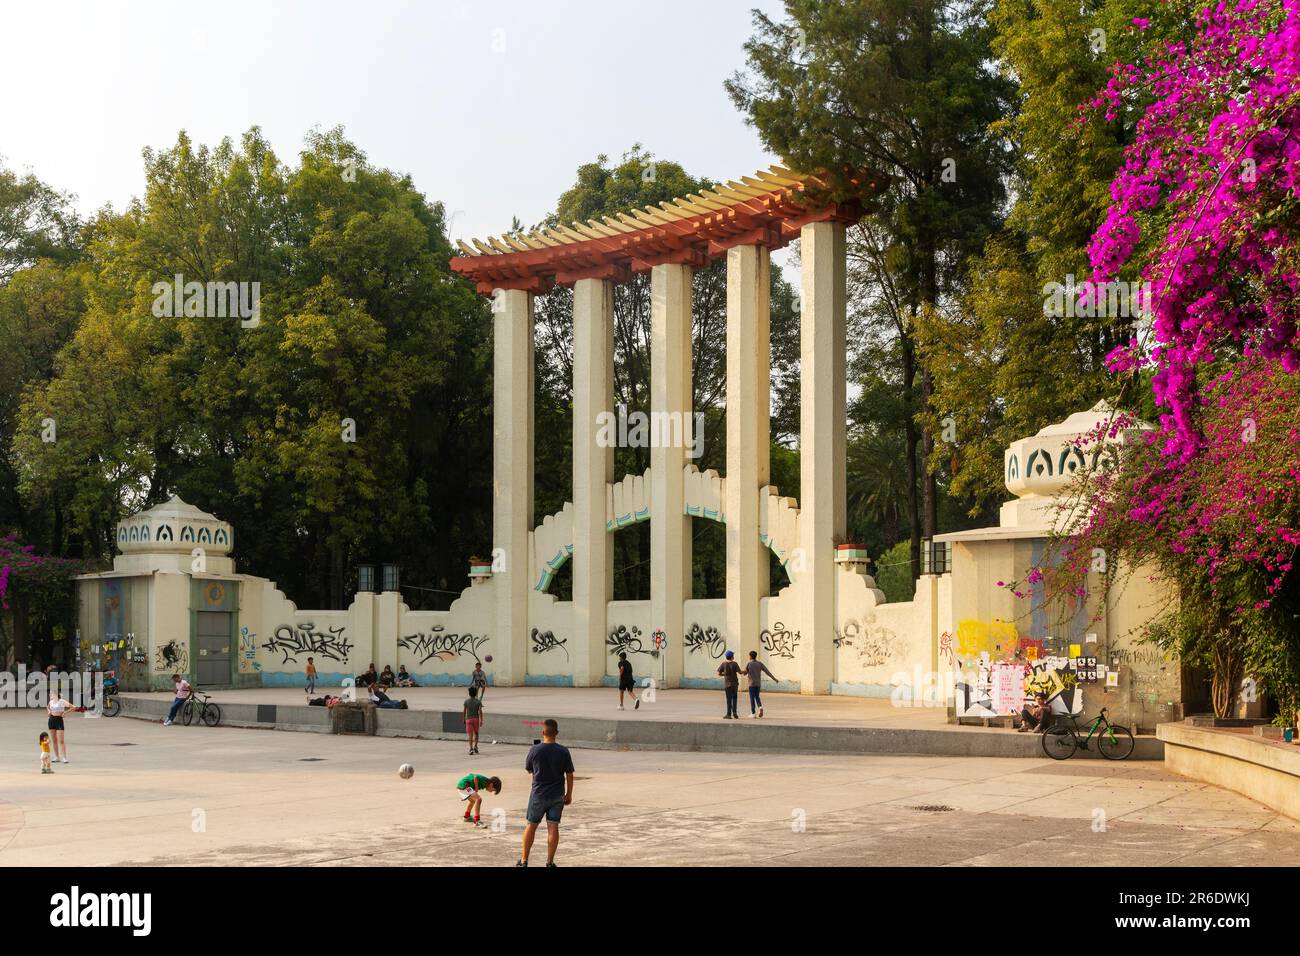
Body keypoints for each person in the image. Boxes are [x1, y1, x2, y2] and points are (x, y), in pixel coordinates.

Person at [517, 718, 574, 868]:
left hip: (538, 794)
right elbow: (569, 774)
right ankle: (549, 862)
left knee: (531, 825)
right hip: (557, 795)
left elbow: (529, 768)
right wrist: (569, 794)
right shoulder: (563, 751)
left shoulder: (535, 750)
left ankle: (524, 860)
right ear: (557, 733)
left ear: (543, 732)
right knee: (553, 827)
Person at [743, 650, 778, 718]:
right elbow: (767, 671)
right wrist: (774, 679)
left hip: (751, 684)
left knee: (752, 698)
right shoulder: (759, 663)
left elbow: (744, 673)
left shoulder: (749, 664)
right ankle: (760, 707)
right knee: (757, 696)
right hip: (758, 684)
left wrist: (741, 671)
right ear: (755, 656)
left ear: (750, 656)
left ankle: (753, 713)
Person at [46, 687, 75, 762]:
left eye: (51, 693)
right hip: (51, 720)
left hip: (59, 720)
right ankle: (56, 757)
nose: (49, 695)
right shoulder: (51, 701)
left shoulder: (61, 701)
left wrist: (65, 713)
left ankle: (64, 757)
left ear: (55, 694)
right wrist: (49, 712)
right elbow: (48, 707)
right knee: (54, 740)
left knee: (61, 740)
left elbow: (73, 707)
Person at [717, 650, 742, 719]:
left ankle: (728, 714)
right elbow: (740, 672)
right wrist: (746, 671)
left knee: (728, 699)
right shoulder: (735, 664)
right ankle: (735, 713)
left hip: (727, 684)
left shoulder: (723, 664)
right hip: (735, 684)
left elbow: (719, 673)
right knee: (734, 698)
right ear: (732, 657)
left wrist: (724, 674)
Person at [463, 686, 485, 755]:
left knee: (470, 735)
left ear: (469, 693)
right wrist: (481, 720)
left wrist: (463, 719)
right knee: (476, 733)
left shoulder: (466, 701)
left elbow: (464, 711)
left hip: (468, 719)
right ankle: (476, 746)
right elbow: (480, 712)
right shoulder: (478, 702)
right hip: (476, 719)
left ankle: (471, 749)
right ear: (476, 694)